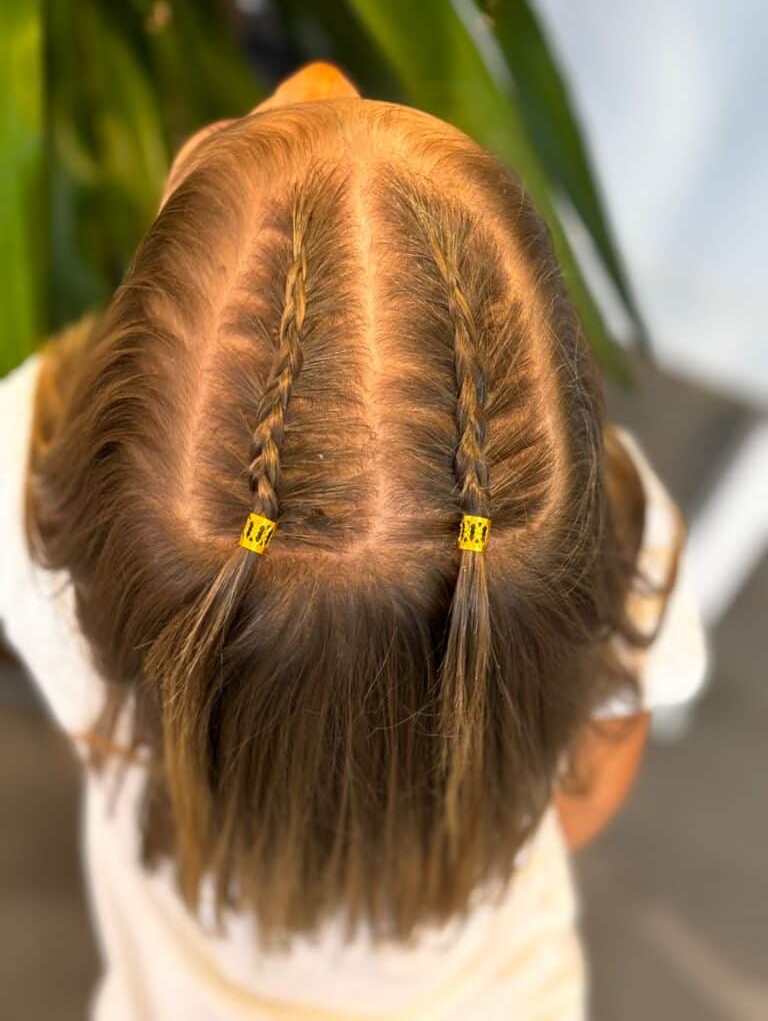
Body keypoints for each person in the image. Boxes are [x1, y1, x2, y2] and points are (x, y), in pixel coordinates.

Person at [0, 63, 708, 1019]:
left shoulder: (24, 477)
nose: (313, 76)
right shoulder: (626, 542)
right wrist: (444, 819)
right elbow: (588, 789)